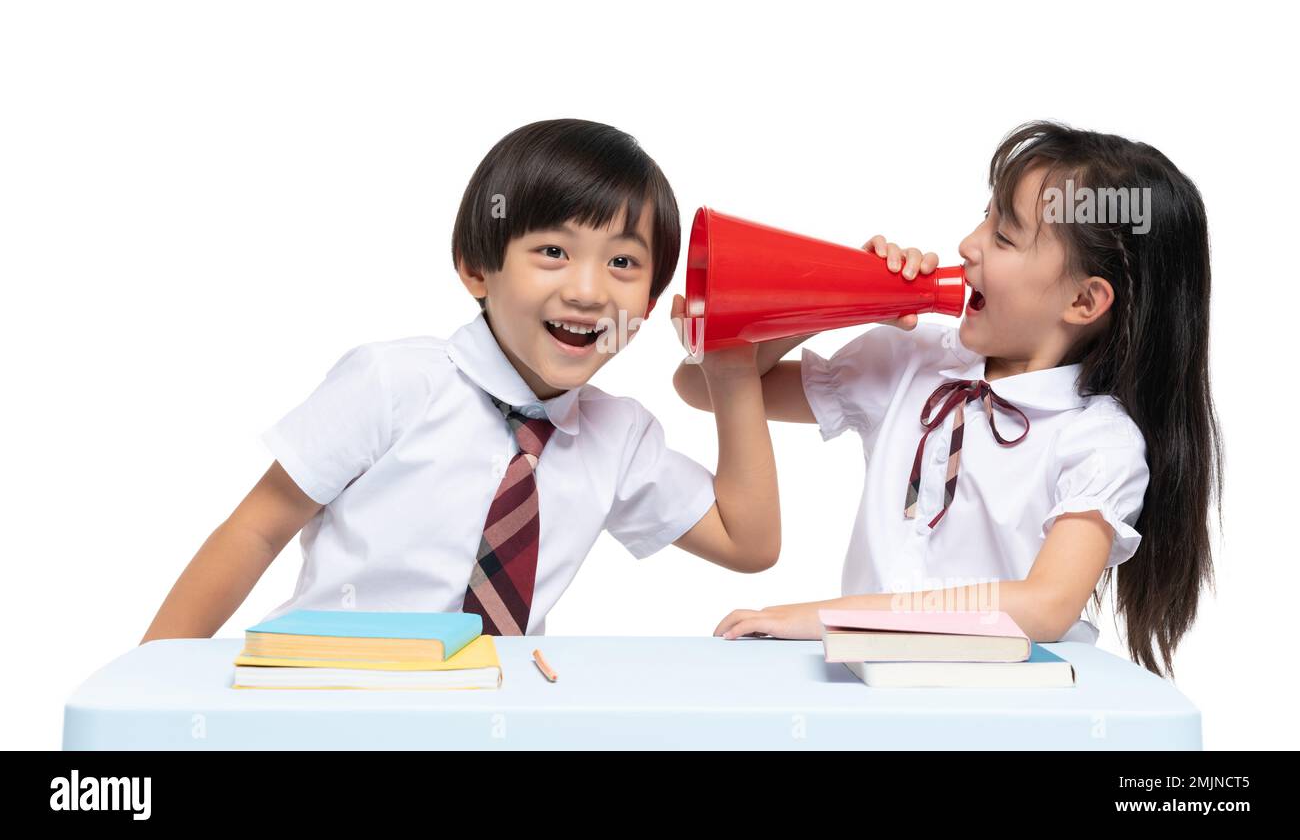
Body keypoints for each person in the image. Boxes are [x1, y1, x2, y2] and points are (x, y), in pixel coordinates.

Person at [142, 118, 778, 642]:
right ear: (478, 268)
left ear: (647, 302)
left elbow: (748, 542)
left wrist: (729, 365)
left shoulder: (618, 436)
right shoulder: (395, 382)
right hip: (324, 696)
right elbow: (259, 527)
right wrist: (151, 681)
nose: (587, 290)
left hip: (486, 714)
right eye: (553, 251)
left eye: (622, 262)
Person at [675, 120, 1222, 677]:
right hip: (875, 686)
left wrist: (830, 617)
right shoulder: (914, 357)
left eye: (1005, 236)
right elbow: (704, 385)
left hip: (1012, 704)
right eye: (985, 217)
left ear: (1084, 300)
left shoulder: (1097, 439)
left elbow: (1047, 606)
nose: (968, 245)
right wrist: (836, 297)